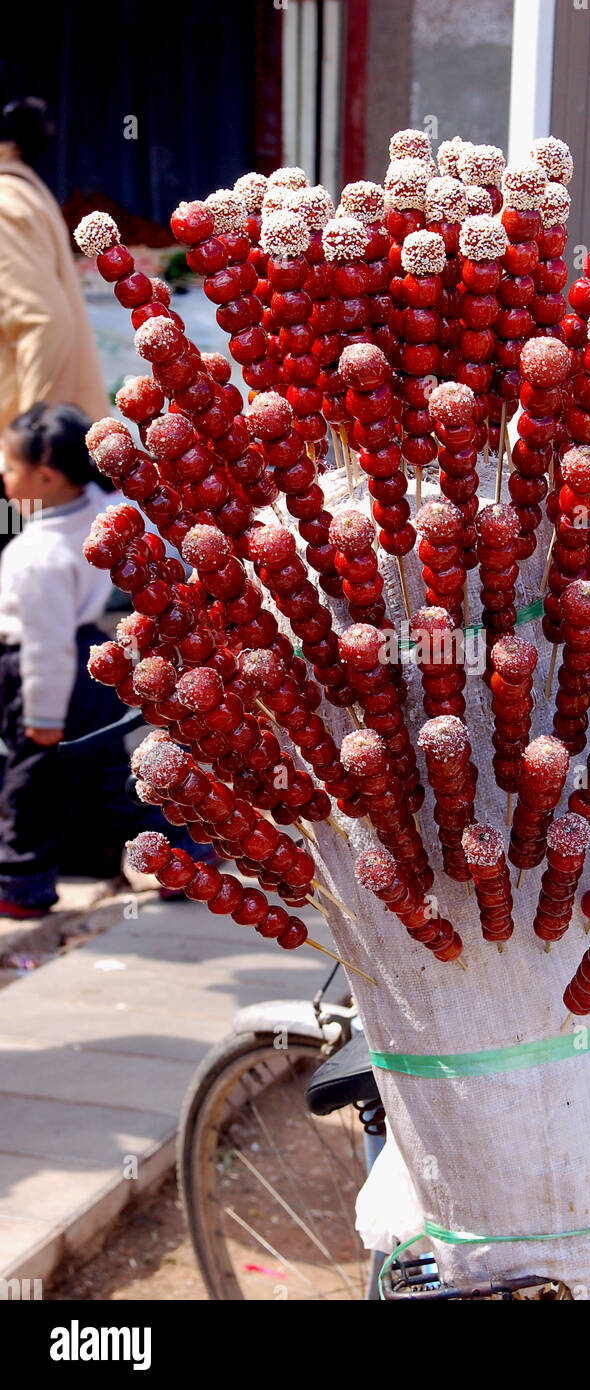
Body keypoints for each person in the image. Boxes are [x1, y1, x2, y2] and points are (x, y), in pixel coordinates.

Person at [0, 404, 172, 916]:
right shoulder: (102, 515)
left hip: (43, 672)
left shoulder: (36, 554)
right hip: (94, 665)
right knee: (107, 770)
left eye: (9, 467)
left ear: (45, 477)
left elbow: (44, 643)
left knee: (28, 784)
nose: (4, 478)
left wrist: (43, 717)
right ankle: (179, 854)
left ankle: (21, 886)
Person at [0, 98, 108, 431]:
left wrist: (32, 445)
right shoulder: (21, 191)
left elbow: (42, 322)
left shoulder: (6, 200)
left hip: (29, 463)